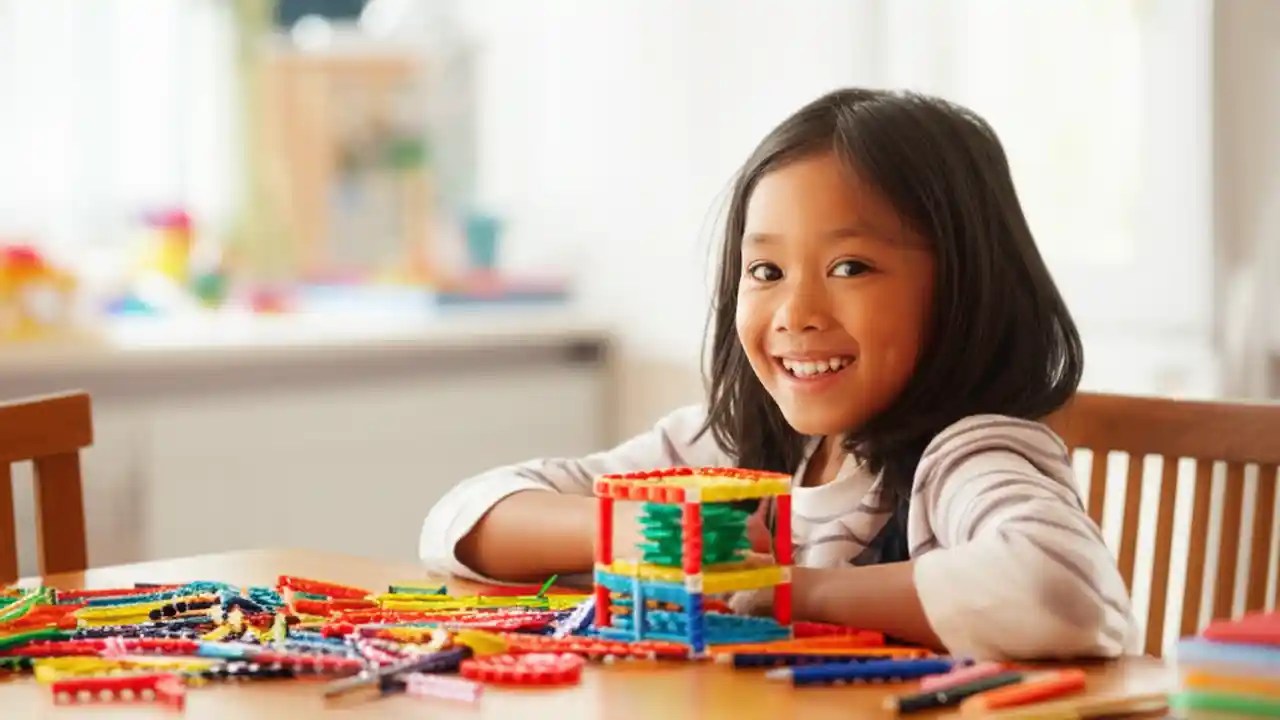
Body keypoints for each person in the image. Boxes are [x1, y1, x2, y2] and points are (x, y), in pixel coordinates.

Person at [420, 88, 1137, 660]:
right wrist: (635, 530)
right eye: (764, 271)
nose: (796, 312)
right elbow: (460, 517)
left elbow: (1062, 593)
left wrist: (791, 591)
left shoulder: (971, 453)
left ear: (964, 286)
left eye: (849, 267)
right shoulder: (732, 446)